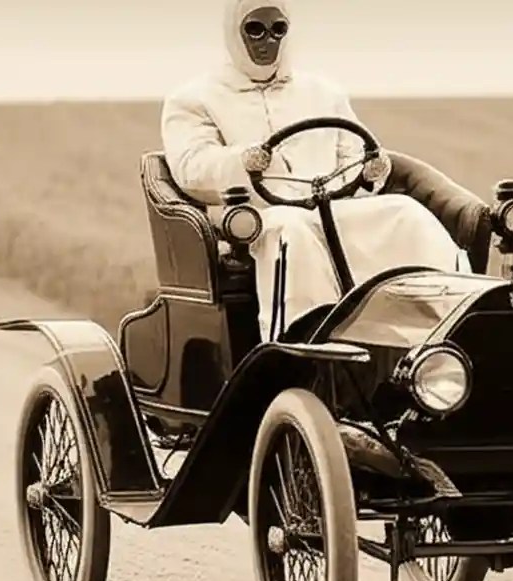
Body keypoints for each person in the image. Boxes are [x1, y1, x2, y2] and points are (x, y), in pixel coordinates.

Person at [160, 0, 462, 340]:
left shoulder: (324, 92)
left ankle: (442, 327)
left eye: (278, 29)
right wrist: (242, 162)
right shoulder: (194, 98)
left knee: (406, 213)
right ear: (234, 32)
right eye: (254, 29)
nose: (267, 41)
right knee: (291, 230)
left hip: (332, 205)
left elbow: (353, 149)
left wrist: (370, 171)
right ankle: (303, 342)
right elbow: (191, 168)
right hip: (255, 215)